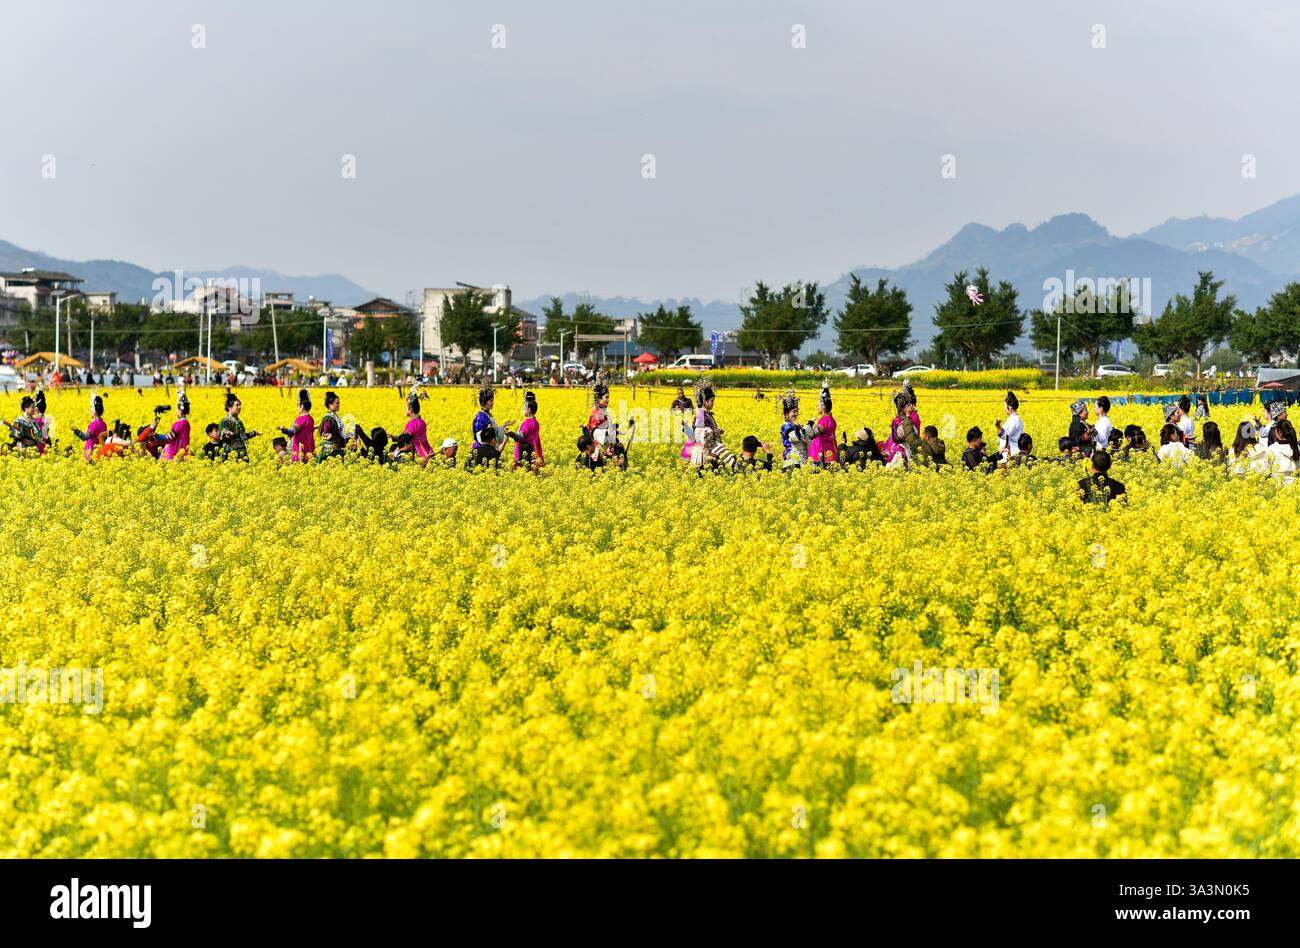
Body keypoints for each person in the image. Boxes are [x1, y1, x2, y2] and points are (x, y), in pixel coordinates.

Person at [689, 375, 736, 471]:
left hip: (712, 448)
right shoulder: (701, 415)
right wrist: (715, 433)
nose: (713, 403)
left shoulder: (706, 414)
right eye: (711, 401)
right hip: (705, 452)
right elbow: (698, 434)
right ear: (705, 401)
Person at [883, 382, 920, 464]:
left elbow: (909, 433)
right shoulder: (898, 419)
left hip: (908, 449)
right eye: (908, 405)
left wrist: (908, 417)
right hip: (901, 450)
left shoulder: (912, 416)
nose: (911, 407)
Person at [1255, 418, 1300, 483]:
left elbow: (1264, 471)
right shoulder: (1298, 448)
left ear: (1279, 433)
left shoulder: (1272, 449)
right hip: (1297, 486)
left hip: (1278, 486)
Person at [279, 389, 315, 462]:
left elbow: (291, 432)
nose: (297, 408)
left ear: (301, 406)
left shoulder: (300, 419)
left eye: (297, 405)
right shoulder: (310, 418)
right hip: (310, 449)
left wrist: (283, 429)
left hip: (300, 451)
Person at [71, 391, 109, 461]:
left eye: (91, 409)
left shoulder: (93, 424)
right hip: (99, 455)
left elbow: (85, 437)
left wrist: (76, 431)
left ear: (94, 411)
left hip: (90, 455)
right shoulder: (104, 424)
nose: (90, 411)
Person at [806, 385, 838, 467]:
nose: (817, 407)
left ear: (823, 406)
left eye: (818, 405)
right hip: (830, 454)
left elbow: (812, 434)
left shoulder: (824, 420)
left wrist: (809, 424)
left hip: (820, 455)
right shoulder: (832, 419)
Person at [778, 390, 810, 468]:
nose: (796, 414)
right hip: (792, 457)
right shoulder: (785, 426)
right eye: (793, 412)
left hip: (801, 457)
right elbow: (794, 437)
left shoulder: (795, 424)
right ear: (787, 414)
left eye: (797, 411)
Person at [514, 390, 544, 469]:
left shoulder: (527, 423)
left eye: (524, 408)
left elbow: (520, 437)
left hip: (524, 453)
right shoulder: (536, 422)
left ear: (529, 409)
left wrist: (511, 434)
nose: (523, 410)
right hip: (533, 451)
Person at [158, 390, 192, 460]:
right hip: (183, 452)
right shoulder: (187, 423)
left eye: (177, 408)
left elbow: (169, 438)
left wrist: (157, 436)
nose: (176, 410)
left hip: (174, 453)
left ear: (180, 410)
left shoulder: (179, 424)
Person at [403, 388, 432, 462]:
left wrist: (393, 437)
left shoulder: (412, 423)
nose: (405, 409)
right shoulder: (422, 422)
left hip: (418, 455)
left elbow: (405, 439)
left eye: (406, 407)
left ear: (411, 409)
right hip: (428, 452)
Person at [317, 391, 346, 462]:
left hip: (338, 447)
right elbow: (327, 433)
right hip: (331, 451)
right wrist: (328, 435)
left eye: (339, 403)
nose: (339, 405)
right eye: (337, 403)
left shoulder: (335, 416)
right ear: (330, 404)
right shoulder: (329, 418)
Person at [995, 390, 1023, 459]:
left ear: (1010, 407)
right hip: (1009, 453)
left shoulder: (1014, 420)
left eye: (1005, 406)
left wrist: (998, 427)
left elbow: (1006, 436)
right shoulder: (1013, 418)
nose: (1004, 408)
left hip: (1011, 454)